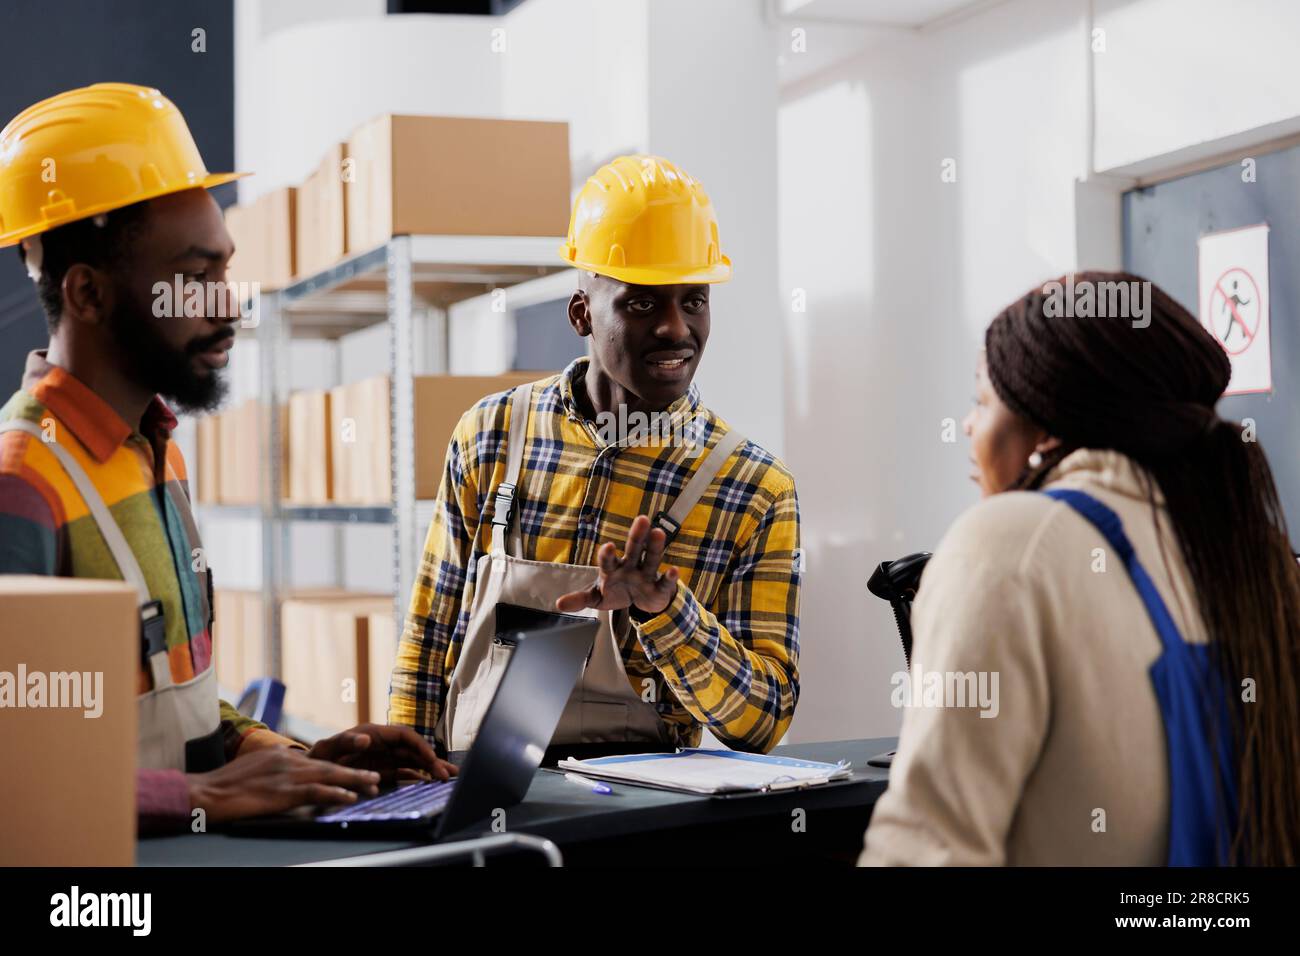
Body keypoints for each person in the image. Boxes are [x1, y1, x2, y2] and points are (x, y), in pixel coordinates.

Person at [0, 83, 453, 834]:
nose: (229, 304)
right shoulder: (22, 482)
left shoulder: (156, 453)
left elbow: (174, 703)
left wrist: (292, 756)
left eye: (224, 271)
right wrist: (207, 798)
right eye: (195, 277)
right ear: (88, 293)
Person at [862, 272, 1300, 866]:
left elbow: (923, 851)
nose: (968, 427)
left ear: (1049, 428)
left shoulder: (1007, 542)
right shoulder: (1260, 553)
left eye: (981, 401)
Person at [389, 155, 801, 758]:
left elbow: (763, 723)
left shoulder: (753, 488)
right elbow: (429, 637)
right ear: (582, 311)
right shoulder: (491, 436)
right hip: (479, 801)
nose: (674, 330)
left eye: (693, 301)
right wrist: (405, 782)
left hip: (639, 829)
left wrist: (667, 614)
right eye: (642, 303)